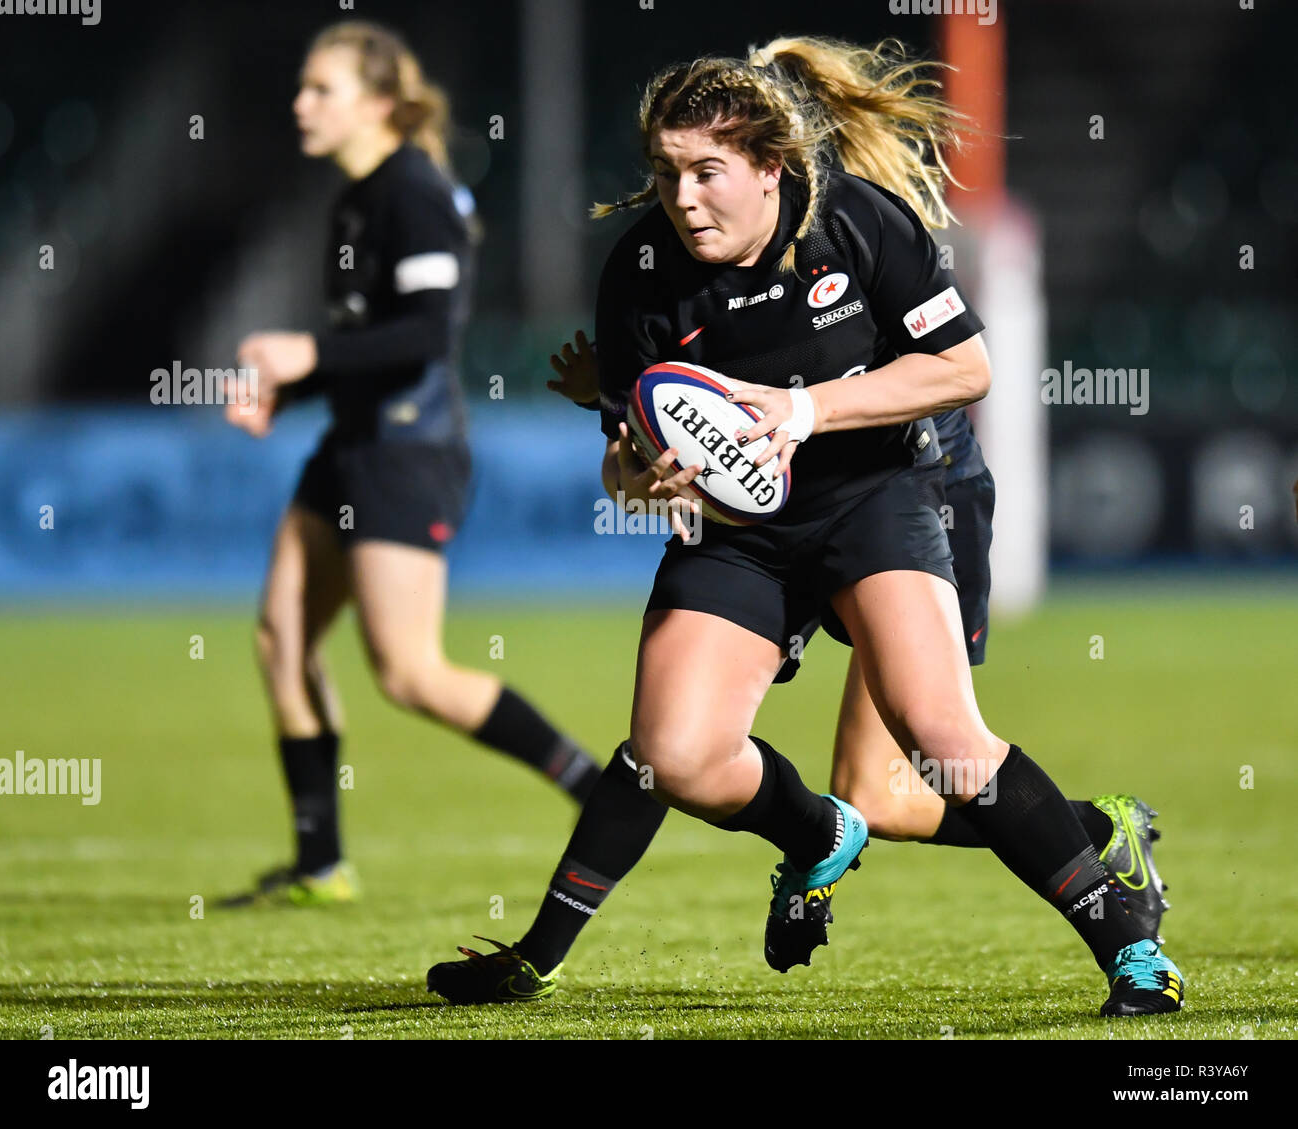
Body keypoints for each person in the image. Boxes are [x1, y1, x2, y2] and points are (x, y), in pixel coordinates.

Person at [429, 37, 1184, 1016]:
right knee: (674, 750)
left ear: (769, 169)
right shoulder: (642, 271)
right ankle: (807, 838)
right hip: (743, 528)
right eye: (665, 174)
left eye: (706, 172)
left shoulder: (858, 224)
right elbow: (623, 459)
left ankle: (1129, 947)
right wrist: (642, 475)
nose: (682, 197)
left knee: (939, 746)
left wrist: (806, 409)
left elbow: (964, 370)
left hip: (877, 493)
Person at [222, 21, 600, 907]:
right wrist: (292, 393)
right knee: (282, 636)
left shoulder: (415, 193)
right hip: (351, 443)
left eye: (322, 89)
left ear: (379, 103)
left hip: (405, 453)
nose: (300, 104)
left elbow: (428, 338)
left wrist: (304, 356)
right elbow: (369, 346)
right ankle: (320, 865)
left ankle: (596, 786)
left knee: (410, 674)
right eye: (303, 88)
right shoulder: (357, 198)